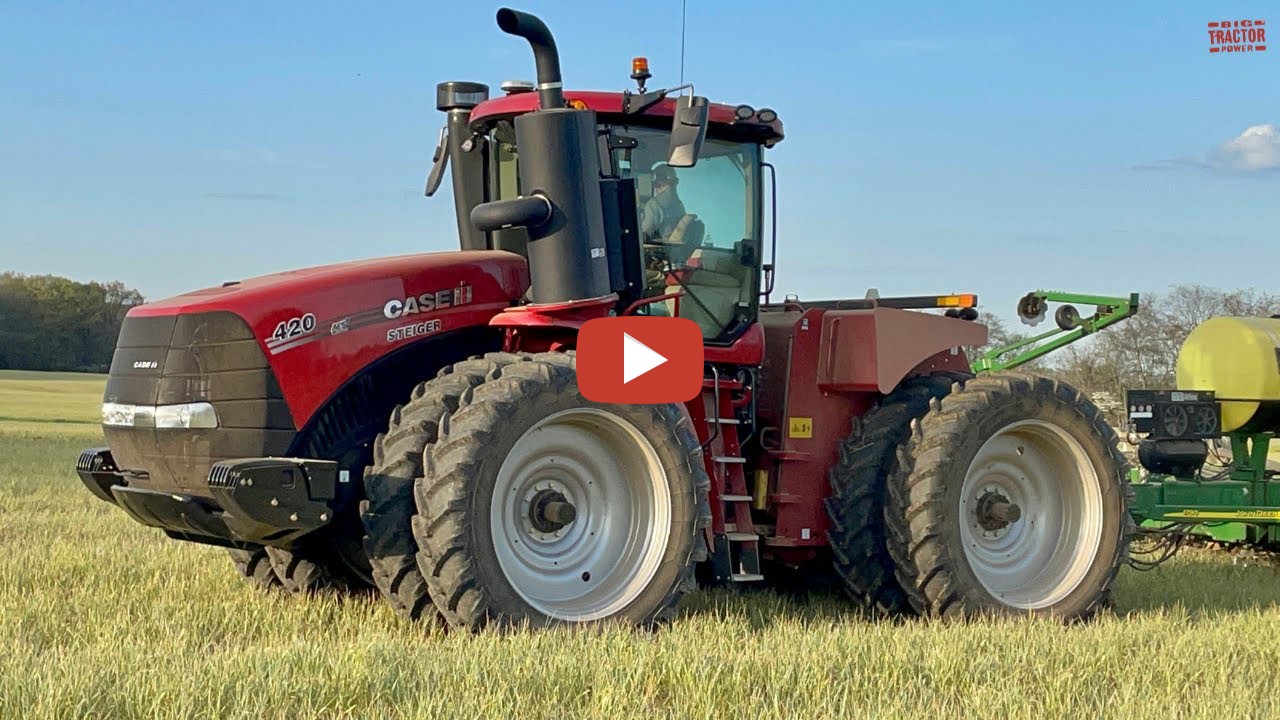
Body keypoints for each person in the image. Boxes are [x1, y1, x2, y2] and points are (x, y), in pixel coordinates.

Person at [640, 164, 687, 244]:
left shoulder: (655, 204)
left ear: (659, 183)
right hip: (673, 250)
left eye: (656, 185)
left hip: (660, 250)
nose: (655, 189)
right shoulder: (679, 206)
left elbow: (642, 237)